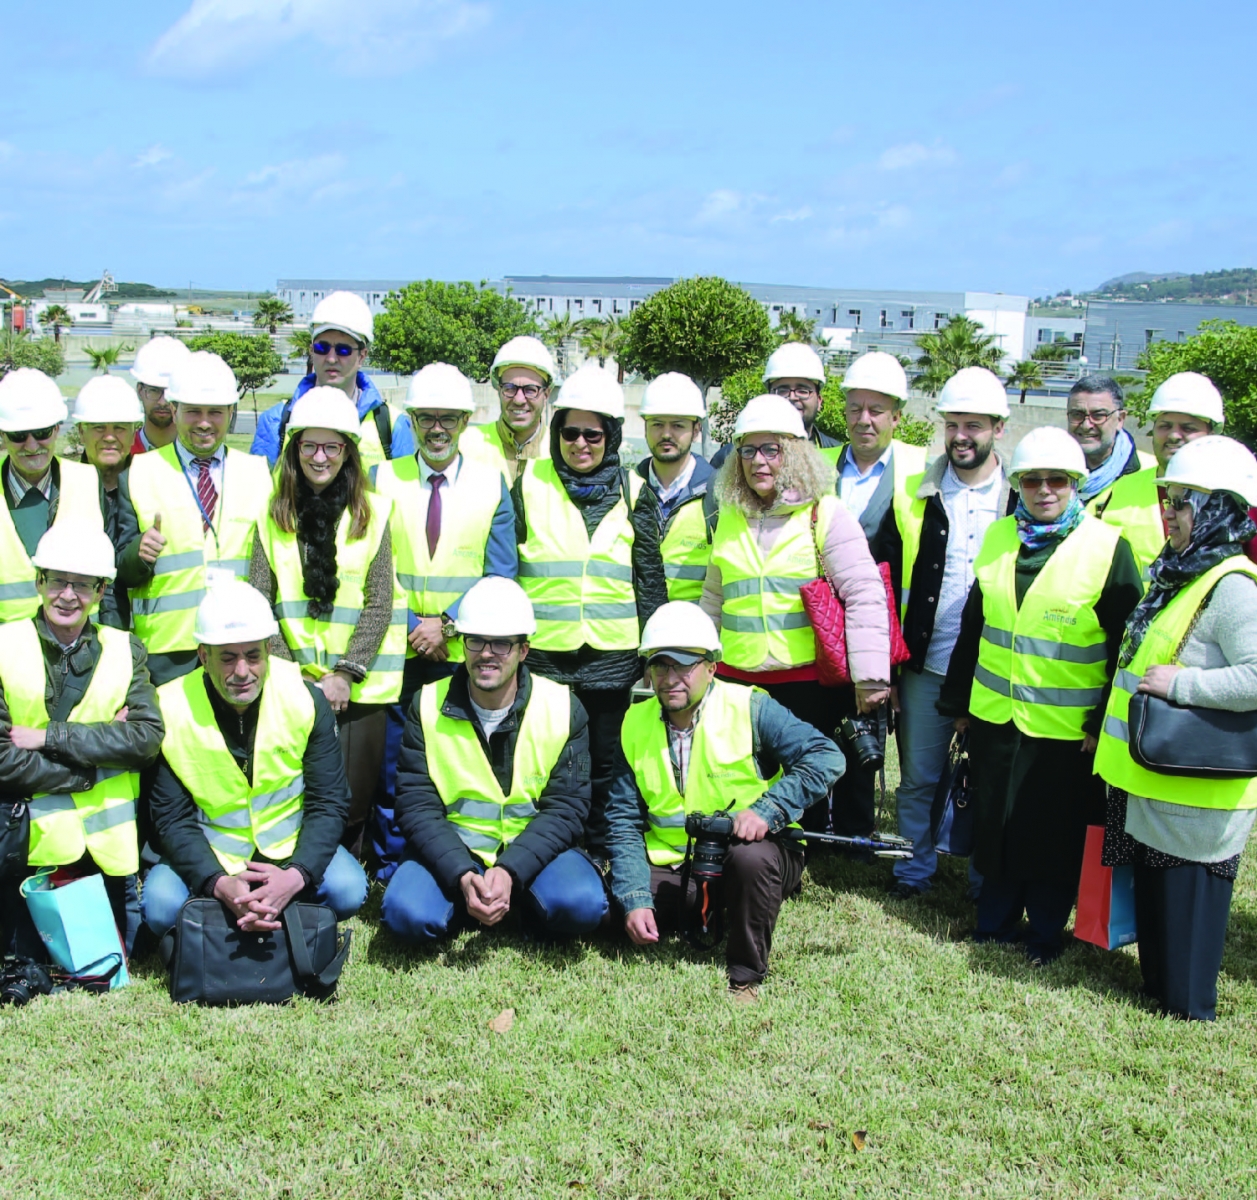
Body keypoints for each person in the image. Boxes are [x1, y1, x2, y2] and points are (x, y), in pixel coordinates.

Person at [939, 427, 1142, 964]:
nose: (1044, 490)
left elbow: (1129, 648)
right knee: (996, 826)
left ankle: (1045, 933)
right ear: (1020, 485)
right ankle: (994, 924)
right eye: (1033, 481)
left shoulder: (1108, 547)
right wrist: (959, 704)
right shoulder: (1001, 536)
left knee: (1052, 835)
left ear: (1076, 484)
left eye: (1057, 481)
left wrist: (1101, 723)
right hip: (994, 718)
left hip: (1066, 729)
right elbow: (975, 624)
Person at [1094, 436, 1257, 1021]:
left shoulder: (1235, 587)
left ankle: (1188, 1009)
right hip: (1160, 780)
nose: (1170, 511)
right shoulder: (1184, 572)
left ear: (1220, 511)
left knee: (1190, 905)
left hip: (1199, 792)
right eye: (1170, 498)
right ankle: (1160, 993)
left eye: (1184, 503)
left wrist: (1182, 686)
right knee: (1161, 900)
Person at [606, 602, 844, 1001]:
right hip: (674, 864)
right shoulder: (634, 721)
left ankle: (745, 974)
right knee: (600, 902)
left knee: (752, 862)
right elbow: (623, 818)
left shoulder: (750, 707)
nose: (669, 679)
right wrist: (634, 897)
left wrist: (768, 811)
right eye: (660, 666)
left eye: (684, 665)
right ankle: (702, 907)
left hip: (749, 856)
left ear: (712, 666)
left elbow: (826, 756)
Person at [701, 394, 889, 839]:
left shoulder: (826, 513)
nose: (758, 461)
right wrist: (700, 662)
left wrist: (870, 676)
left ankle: (809, 850)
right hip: (737, 676)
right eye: (748, 449)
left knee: (807, 777)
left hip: (806, 679)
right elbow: (714, 595)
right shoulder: (728, 514)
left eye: (772, 449)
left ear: (796, 453)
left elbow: (864, 593)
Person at [381, 577, 606, 942]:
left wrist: (511, 870)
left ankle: (514, 899)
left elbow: (567, 808)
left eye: (501, 643)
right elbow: (415, 806)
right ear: (463, 645)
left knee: (581, 904)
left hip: (533, 854)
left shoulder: (563, 707)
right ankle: (469, 900)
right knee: (405, 914)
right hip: (456, 852)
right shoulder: (425, 705)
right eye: (475, 641)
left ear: (524, 651)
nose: (486, 653)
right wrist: (461, 874)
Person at [140, 581, 368, 936]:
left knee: (349, 890)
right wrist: (216, 882)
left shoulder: (305, 699)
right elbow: (171, 819)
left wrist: (296, 876)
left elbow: (330, 802)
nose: (243, 671)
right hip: (213, 850)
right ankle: (246, 907)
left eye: (253, 655)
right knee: (160, 908)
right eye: (228, 658)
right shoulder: (168, 707)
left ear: (269, 649)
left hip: (289, 847)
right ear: (203, 656)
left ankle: (258, 907)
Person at [513, 363, 668, 850]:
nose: (582, 444)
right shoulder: (528, 483)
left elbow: (649, 576)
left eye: (594, 435)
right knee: (548, 755)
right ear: (557, 432)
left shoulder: (634, 490)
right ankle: (550, 846)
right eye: (572, 433)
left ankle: (602, 848)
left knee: (605, 758)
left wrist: (654, 652)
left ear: (613, 438)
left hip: (612, 656)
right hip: (544, 655)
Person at [372, 362, 518, 875]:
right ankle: (393, 863)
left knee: (457, 761)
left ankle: (457, 856)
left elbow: (499, 573)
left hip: (462, 653)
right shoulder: (381, 479)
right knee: (395, 763)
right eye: (426, 417)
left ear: (465, 421)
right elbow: (369, 566)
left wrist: (446, 625)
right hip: (397, 651)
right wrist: (414, 625)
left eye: (449, 419)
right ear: (410, 419)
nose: (437, 428)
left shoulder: (490, 483)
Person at [251, 388, 406, 859]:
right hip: (290, 681)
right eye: (309, 446)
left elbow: (380, 601)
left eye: (332, 446)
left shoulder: (376, 513)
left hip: (358, 688)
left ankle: (344, 874)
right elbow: (261, 601)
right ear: (293, 451)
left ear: (349, 452)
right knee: (296, 786)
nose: (320, 457)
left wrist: (344, 674)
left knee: (352, 798)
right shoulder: (269, 515)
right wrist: (294, 675)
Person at [0, 525, 162, 958]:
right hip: (27, 848)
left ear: (101, 589)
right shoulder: (3, 645)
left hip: (108, 852)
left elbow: (145, 739)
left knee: (103, 971)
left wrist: (47, 737)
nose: (68, 595)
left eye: (82, 584)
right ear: (39, 582)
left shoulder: (126, 649)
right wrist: (96, 763)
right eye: (56, 580)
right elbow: (1, 758)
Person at [891, 367, 1012, 899]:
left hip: (993, 670)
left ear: (998, 429)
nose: (961, 436)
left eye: (974, 425)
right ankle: (913, 868)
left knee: (986, 781)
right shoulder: (917, 493)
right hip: (927, 665)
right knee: (918, 777)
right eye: (952, 424)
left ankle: (985, 877)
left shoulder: (1020, 497)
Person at [116, 352, 274, 685]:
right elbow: (119, 574)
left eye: (215, 412)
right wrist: (138, 554)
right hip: (165, 651)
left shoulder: (259, 474)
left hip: (237, 647)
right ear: (174, 410)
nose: (204, 422)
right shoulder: (137, 473)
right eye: (193, 412)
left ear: (231, 413)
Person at [829, 351, 928, 840]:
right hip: (822, 623)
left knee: (867, 727)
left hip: (888, 627)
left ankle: (855, 830)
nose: (864, 420)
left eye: (877, 410)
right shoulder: (822, 466)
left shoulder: (920, 471)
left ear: (897, 416)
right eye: (855, 408)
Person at [250, 291, 414, 472]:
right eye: (322, 347)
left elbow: (405, 495)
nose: (331, 358)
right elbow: (258, 493)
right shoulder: (275, 421)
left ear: (362, 356)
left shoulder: (392, 425)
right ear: (311, 350)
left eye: (343, 350)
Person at [0, 368, 107, 623]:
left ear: (57, 429)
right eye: (18, 436)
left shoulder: (88, 481)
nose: (32, 445)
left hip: (78, 648)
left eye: (42, 433)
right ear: (2, 435)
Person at [1100, 371, 1225, 580]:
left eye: (1188, 428)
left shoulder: (1233, 496)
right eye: (1165, 426)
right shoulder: (1123, 488)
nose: (1174, 436)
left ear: (1212, 434)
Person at [72, 375, 144, 630]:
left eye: (120, 428)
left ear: (134, 431)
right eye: (99, 427)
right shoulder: (63, 486)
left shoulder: (152, 481)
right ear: (81, 431)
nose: (110, 437)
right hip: (78, 632)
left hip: (146, 636)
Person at [636, 372, 713, 603]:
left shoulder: (717, 495)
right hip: (637, 633)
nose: (666, 434)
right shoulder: (625, 490)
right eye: (657, 424)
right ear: (645, 427)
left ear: (696, 429)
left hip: (696, 634)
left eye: (678, 425)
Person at [711, 343, 840, 469]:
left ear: (819, 401)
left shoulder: (839, 455)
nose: (792, 397)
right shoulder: (727, 457)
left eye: (803, 390)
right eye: (782, 390)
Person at [462, 336, 556, 483]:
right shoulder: (465, 443)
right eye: (509, 388)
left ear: (547, 393)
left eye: (530, 390)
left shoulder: (562, 449)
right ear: (498, 390)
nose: (519, 400)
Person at [1064, 374, 1154, 513]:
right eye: (1077, 414)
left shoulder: (1153, 474)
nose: (1086, 425)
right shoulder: (1042, 470)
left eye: (1098, 415)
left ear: (1120, 419)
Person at [129, 336, 191, 454]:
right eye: (154, 390)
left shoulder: (200, 459)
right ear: (139, 391)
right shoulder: (121, 455)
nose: (163, 402)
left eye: (170, 391)